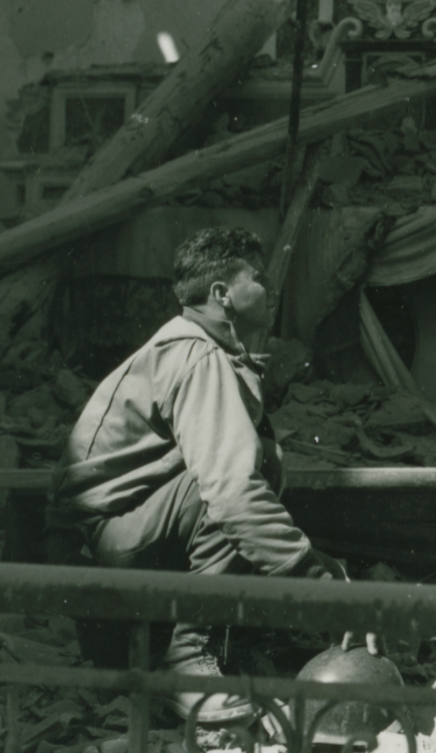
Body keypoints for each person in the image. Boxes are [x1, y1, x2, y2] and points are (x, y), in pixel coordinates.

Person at [45, 227, 372, 723]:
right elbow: (232, 495)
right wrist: (325, 585)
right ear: (222, 294)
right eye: (258, 277)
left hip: (104, 552)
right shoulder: (197, 355)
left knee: (253, 463)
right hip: (95, 560)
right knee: (228, 486)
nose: (271, 287)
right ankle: (185, 665)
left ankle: (189, 644)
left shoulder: (194, 346)